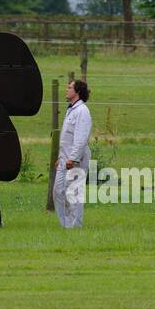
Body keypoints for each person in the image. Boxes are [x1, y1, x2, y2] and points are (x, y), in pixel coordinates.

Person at [53, 78, 92, 229]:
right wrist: (60, 158)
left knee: (73, 193)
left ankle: (75, 226)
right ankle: (66, 224)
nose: (66, 90)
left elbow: (80, 138)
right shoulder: (71, 109)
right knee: (58, 191)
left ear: (77, 92)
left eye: (69, 88)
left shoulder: (82, 111)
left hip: (75, 160)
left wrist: (73, 158)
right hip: (64, 159)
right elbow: (67, 138)